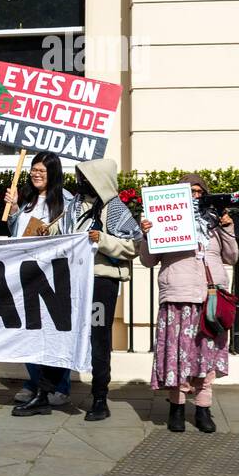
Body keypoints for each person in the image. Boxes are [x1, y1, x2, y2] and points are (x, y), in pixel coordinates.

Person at [139, 173, 238, 433]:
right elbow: (148, 261)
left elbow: (232, 257)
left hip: (210, 298)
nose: (195, 195)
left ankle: (203, 408)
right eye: (189, 191)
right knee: (178, 356)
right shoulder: (163, 219)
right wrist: (147, 235)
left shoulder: (215, 221)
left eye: (199, 191)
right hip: (178, 297)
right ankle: (177, 407)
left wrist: (228, 228)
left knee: (207, 355)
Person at [63, 159, 140, 421]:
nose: (81, 182)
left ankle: (99, 398)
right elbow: (61, 231)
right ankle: (50, 389)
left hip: (101, 284)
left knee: (99, 337)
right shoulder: (74, 206)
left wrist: (102, 240)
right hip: (75, 281)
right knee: (64, 331)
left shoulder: (115, 208)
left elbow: (134, 245)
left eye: (86, 177)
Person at [4, 151, 76, 411]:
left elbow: (71, 235)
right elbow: (16, 234)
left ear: (53, 174)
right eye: (34, 169)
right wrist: (14, 210)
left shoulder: (67, 201)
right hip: (26, 275)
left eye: (42, 171)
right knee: (29, 332)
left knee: (55, 333)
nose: (36, 174)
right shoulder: (27, 200)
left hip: (53, 277)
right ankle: (35, 383)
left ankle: (60, 387)